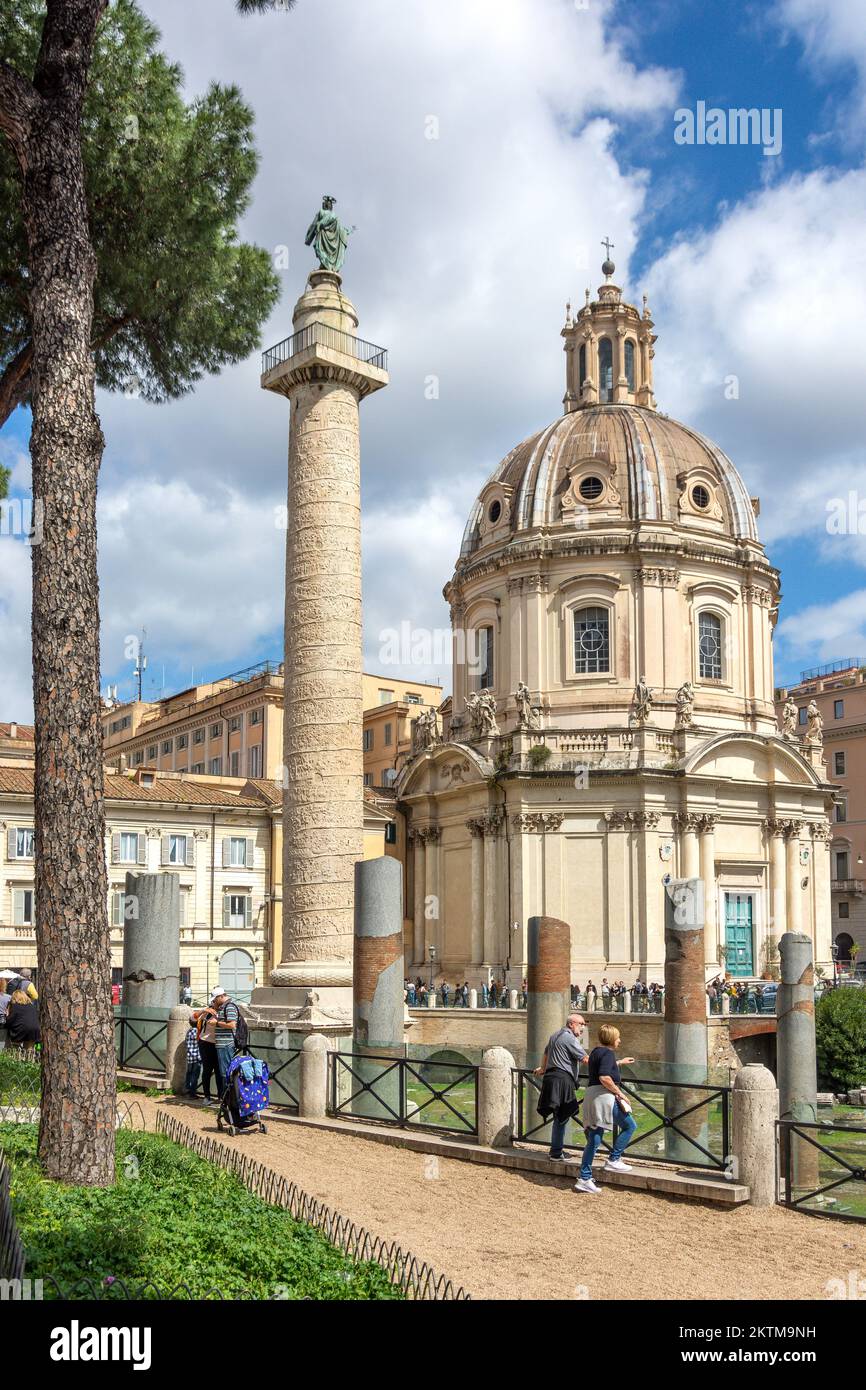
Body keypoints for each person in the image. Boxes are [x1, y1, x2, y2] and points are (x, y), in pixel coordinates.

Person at [575, 1023, 637, 1194]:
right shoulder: (608, 1053)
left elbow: (600, 1068)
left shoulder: (596, 1052)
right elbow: (604, 1077)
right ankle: (611, 1161)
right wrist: (621, 1094)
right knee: (629, 1126)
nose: (619, 1040)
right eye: (617, 1037)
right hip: (604, 1098)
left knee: (594, 1137)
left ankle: (586, 1176)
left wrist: (619, 1063)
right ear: (611, 1039)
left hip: (592, 1096)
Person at [534, 1013, 588, 1162]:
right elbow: (585, 1059)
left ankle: (556, 1150)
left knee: (560, 1116)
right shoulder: (570, 1038)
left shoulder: (555, 1035)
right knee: (562, 1116)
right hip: (562, 1080)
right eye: (581, 1024)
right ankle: (556, 1152)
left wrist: (543, 1068)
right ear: (571, 1024)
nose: (583, 1027)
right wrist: (608, 1065)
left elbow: (546, 1052)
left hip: (551, 1079)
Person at [212, 987, 239, 1096]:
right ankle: (226, 1098)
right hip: (222, 1044)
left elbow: (232, 1025)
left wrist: (216, 1023)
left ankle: (227, 1098)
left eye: (215, 999)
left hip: (226, 1044)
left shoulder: (230, 1007)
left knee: (226, 1072)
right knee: (224, 1072)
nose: (214, 1001)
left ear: (221, 996)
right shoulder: (223, 1007)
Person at [193, 994, 220, 1104]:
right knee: (207, 1071)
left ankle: (221, 1097)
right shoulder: (207, 1012)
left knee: (220, 1071)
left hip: (219, 1045)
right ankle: (207, 1097)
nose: (214, 1004)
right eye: (213, 1002)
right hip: (205, 1043)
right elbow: (193, 1017)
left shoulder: (224, 1011)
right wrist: (204, 1010)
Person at [184, 1014, 201, 1096]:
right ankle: (192, 1093)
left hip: (190, 1057)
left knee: (189, 1074)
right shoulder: (197, 1031)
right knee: (195, 1076)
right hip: (197, 1057)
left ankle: (187, 1089)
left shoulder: (189, 1031)